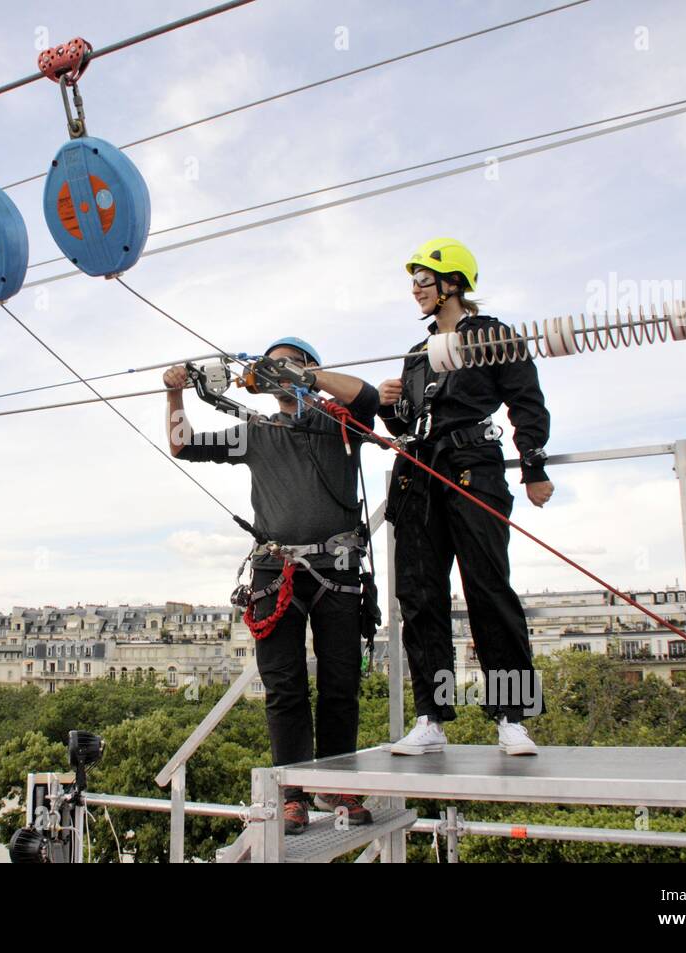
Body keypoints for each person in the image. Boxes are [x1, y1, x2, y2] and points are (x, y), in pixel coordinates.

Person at [163, 338, 379, 834]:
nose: (278, 374)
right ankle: (294, 793)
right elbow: (182, 444)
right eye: (272, 367)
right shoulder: (257, 432)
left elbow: (368, 400)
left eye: (289, 365)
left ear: (309, 371)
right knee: (285, 687)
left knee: (341, 684)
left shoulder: (340, 424)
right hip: (276, 572)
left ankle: (337, 782)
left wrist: (313, 381)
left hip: (338, 570)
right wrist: (175, 396)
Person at [377, 237, 554, 756]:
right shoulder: (416, 356)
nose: (416, 291)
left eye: (424, 281)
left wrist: (533, 465)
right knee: (420, 596)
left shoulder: (493, 336)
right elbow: (410, 421)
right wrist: (391, 407)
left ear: (452, 282)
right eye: (413, 283)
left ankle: (511, 717)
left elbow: (526, 399)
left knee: (488, 588)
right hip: (419, 476)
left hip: (473, 468)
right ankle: (432, 717)